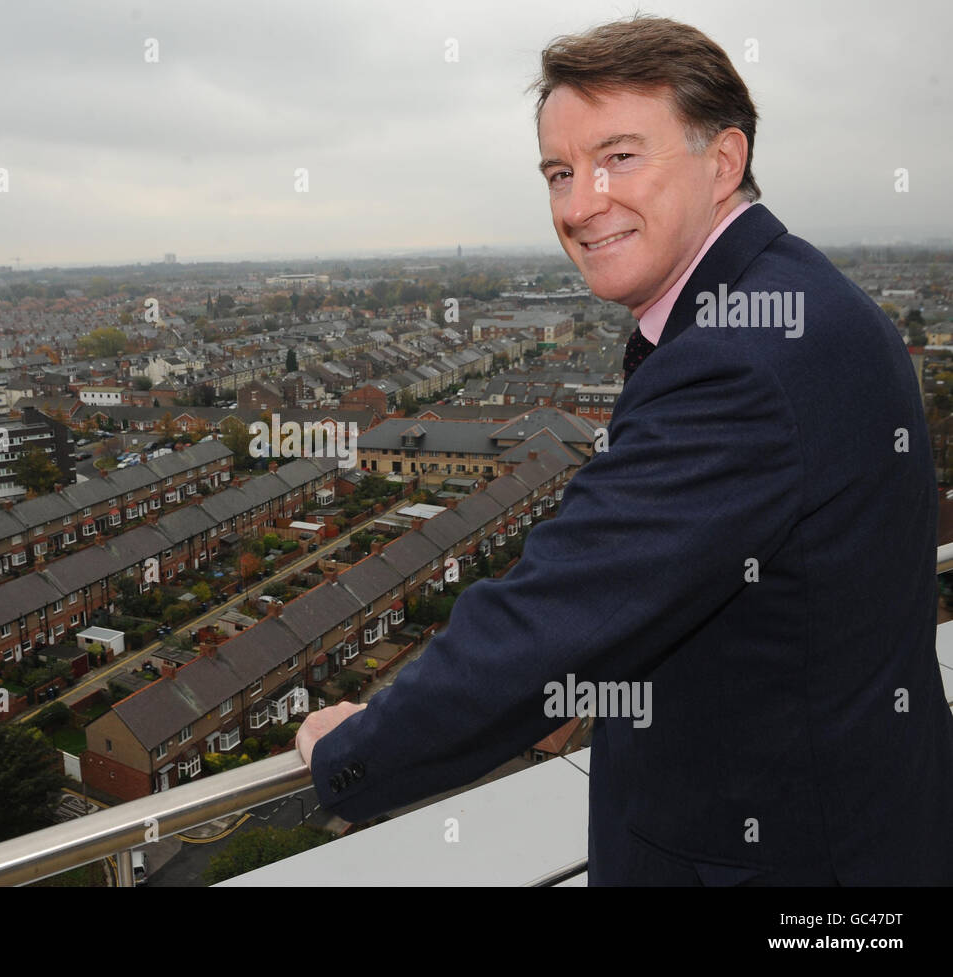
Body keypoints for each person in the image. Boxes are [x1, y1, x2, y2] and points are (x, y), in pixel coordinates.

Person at [297, 15, 953, 885]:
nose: (578, 206)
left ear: (723, 160)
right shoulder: (805, 297)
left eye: (619, 157)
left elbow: (556, 616)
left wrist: (349, 750)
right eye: (559, 173)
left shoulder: (736, 362)